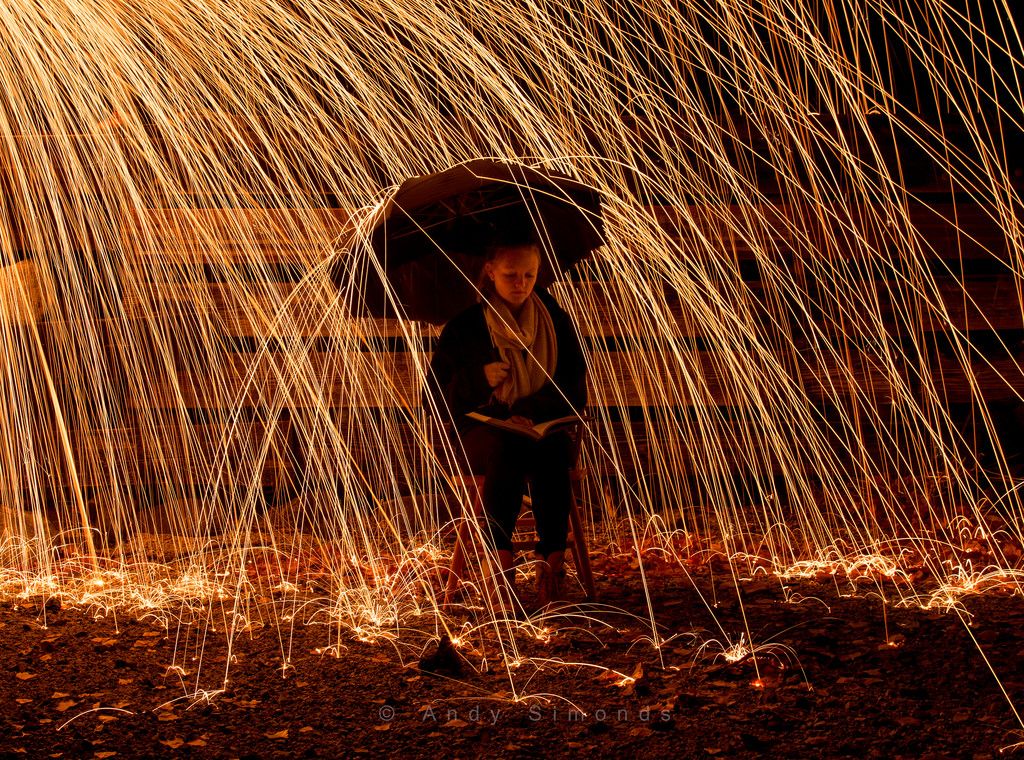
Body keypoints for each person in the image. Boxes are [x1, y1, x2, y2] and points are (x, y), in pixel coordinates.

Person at [426, 233, 587, 610]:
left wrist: (530, 410)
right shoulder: (465, 327)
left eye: (529, 275)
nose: (521, 284)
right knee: (507, 448)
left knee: (551, 450)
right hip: (482, 433)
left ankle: (550, 563)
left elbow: (574, 388)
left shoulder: (556, 322)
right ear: (489, 271)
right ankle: (499, 564)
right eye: (510, 275)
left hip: (541, 427)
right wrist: (479, 379)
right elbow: (434, 396)